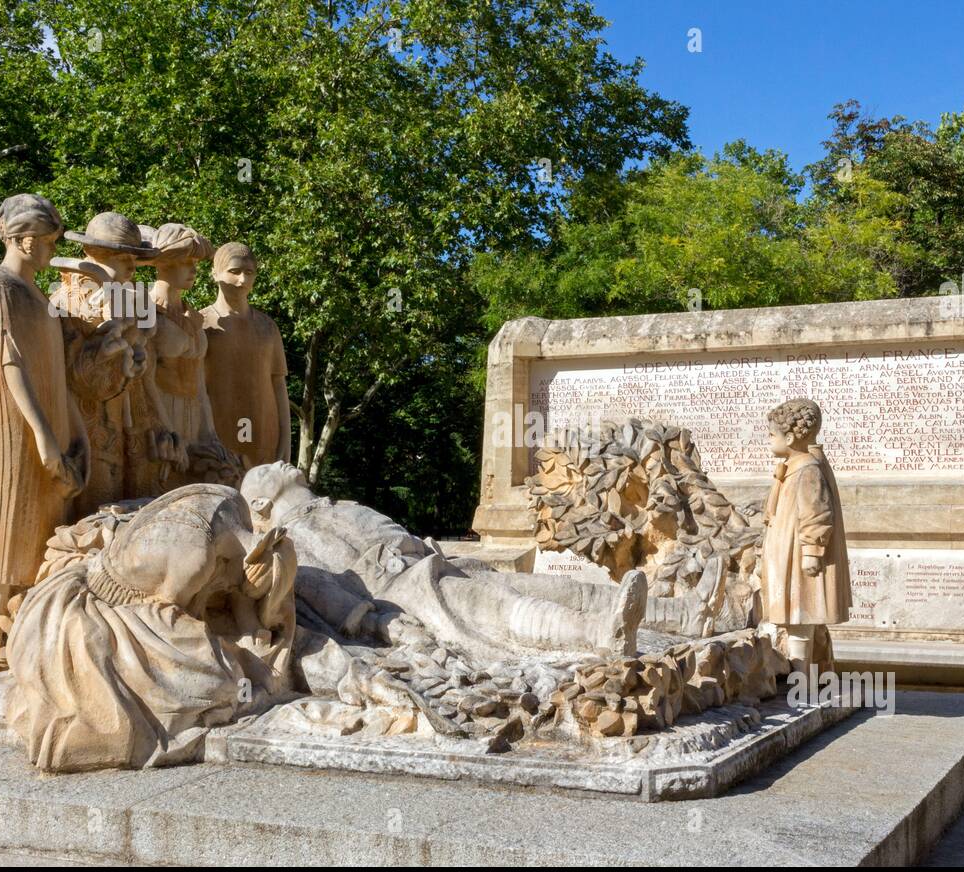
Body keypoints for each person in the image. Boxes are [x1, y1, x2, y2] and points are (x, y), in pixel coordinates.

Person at [239, 462, 729, 665]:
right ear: (261, 507)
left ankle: (683, 614)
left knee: (553, 588)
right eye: (267, 471)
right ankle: (602, 636)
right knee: (509, 609)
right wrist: (381, 625)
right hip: (408, 591)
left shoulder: (333, 504)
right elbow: (325, 592)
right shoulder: (290, 538)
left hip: (435, 562)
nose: (281, 464)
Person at [5, 484, 297, 771]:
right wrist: (238, 658)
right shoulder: (195, 561)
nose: (231, 588)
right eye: (236, 584)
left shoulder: (231, 505)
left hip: (130, 593)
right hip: (103, 615)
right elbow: (170, 621)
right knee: (221, 680)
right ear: (244, 562)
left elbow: (239, 590)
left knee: (228, 667)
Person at [0, 194, 88, 679]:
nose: (51, 250)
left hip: (47, 418)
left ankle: (20, 639)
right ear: (21, 239)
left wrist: (68, 426)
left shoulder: (38, 295)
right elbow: (7, 362)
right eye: (48, 241)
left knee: (41, 528)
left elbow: (55, 369)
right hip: (6, 421)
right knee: (5, 525)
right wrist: (41, 434)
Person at [51, 212, 162, 516]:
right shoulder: (69, 299)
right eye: (124, 257)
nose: (131, 266)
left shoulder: (121, 297)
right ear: (100, 255)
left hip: (121, 425)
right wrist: (110, 354)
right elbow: (75, 375)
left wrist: (135, 358)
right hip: (87, 426)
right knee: (95, 505)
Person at [128, 223, 238, 495]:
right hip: (161, 415)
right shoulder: (145, 311)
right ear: (163, 263)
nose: (194, 269)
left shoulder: (193, 317)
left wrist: (210, 434)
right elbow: (146, 380)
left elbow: (199, 381)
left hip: (193, 417)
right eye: (186, 261)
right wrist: (166, 429)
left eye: (196, 262)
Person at [760, 398, 851, 671]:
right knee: (794, 620)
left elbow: (817, 515)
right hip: (786, 556)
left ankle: (801, 682)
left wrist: (811, 553)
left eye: (771, 435)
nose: (768, 440)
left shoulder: (808, 470)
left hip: (799, 560)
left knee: (800, 618)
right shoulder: (793, 469)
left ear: (789, 437)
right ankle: (805, 677)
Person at [201, 242, 291, 468]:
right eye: (234, 271)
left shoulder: (267, 327)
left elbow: (278, 384)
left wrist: (286, 441)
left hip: (264, 437)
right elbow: (195, 388)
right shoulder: (201, 324)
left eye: (249, 272)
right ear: (215, 274)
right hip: (215, 441)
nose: (242, 280)